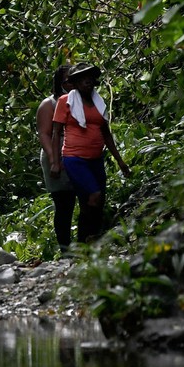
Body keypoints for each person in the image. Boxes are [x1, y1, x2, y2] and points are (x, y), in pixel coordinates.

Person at [51, 62, 131, 242]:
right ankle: (85, 240)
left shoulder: (98, 102)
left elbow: (106, 133)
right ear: (75, 83)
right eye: (81, 79)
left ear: (94, 81)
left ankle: (88, 242)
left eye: (89, 78)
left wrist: (120, 161)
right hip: (74, 158)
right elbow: (56, 133)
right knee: (93, 195)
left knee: (97, 201)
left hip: (95, 159)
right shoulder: (66, 101)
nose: (86, 82)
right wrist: (55, 162)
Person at [37, 64, 77, 250]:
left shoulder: (83, 100)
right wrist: (55, 160)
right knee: (64, 204)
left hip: (79, 154)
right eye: (67, 80)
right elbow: (44, 134)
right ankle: (65, 247)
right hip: (58, 155)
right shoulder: (49, 104)